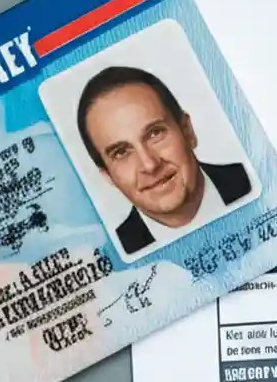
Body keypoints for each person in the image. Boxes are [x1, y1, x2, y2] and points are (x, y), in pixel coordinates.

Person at [76, 66, 252, 255]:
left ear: (187, 131)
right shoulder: (112, 260)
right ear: (108, 175)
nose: (150, 165)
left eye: (155, 133)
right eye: (120, 152)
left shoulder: (261, 177)